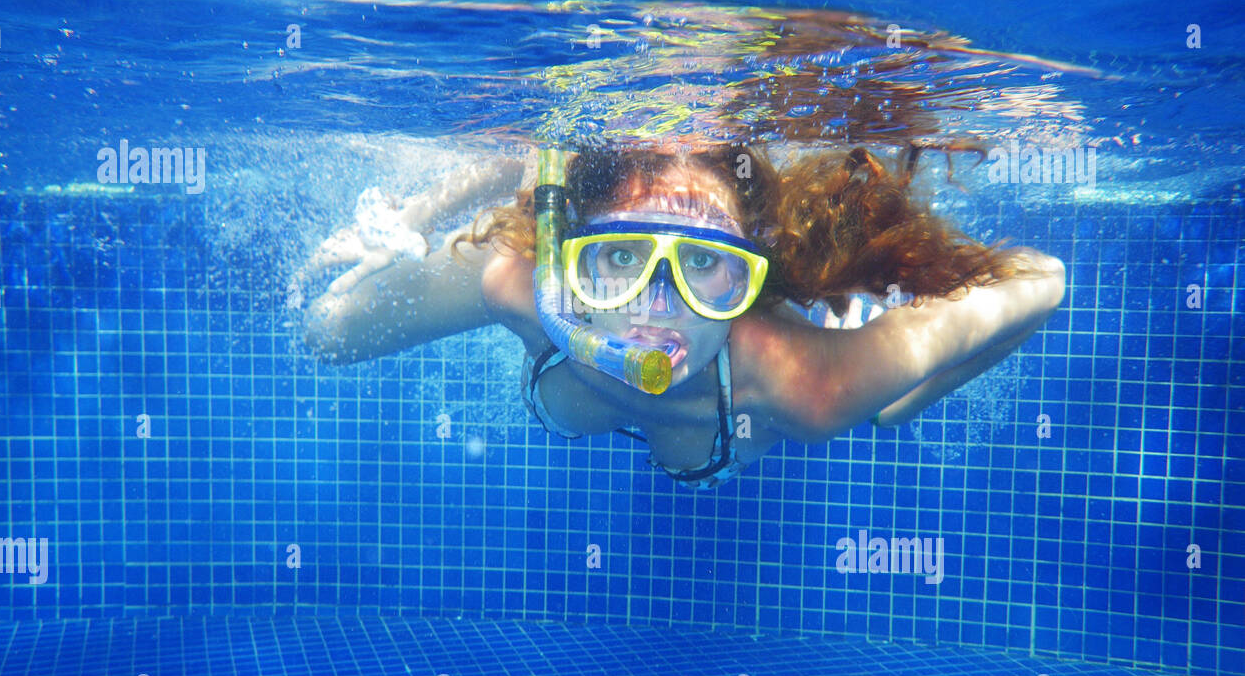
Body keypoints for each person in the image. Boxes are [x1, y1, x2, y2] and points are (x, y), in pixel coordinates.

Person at [295, 144, 1065, 489]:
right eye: (622, 259)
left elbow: (1047, 280)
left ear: (752, 271)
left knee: (881, 402)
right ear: (570, 259)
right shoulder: (520, 286)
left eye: (704, 265)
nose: (655, 308)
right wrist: (407, 226)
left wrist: (910, 398)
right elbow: (326, 336)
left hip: (732, 418)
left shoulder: (812, 384)